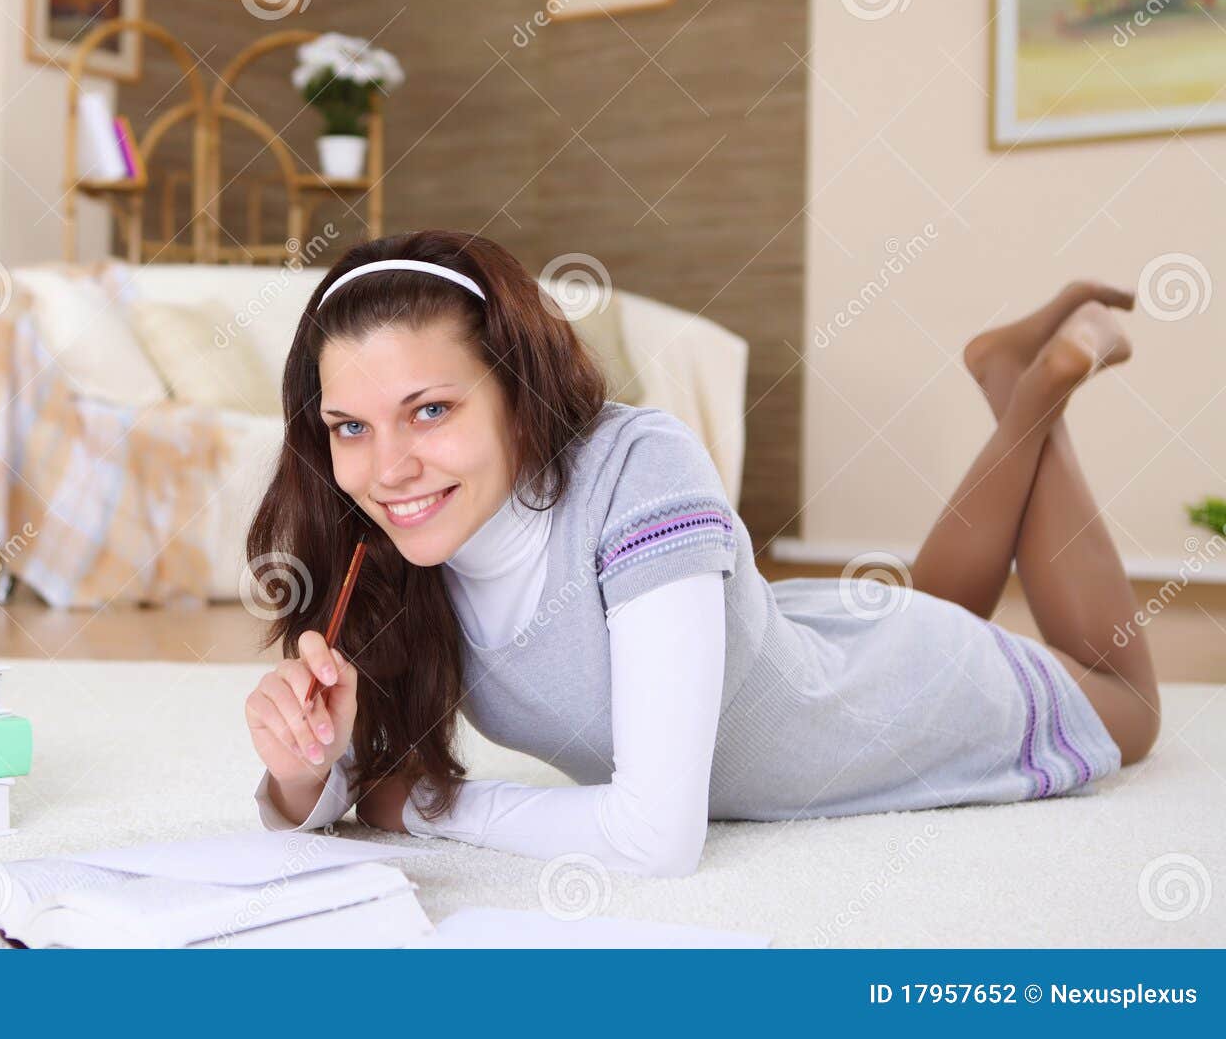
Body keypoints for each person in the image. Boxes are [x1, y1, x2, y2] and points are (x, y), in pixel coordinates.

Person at [241, 229, 1160, 878]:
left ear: (517, 391)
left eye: (431, 408)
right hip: (820, 654)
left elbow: (653, 842)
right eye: (349, 425)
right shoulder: (391, 539)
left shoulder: (640, 469)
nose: (388, 465)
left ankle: (1037, 390)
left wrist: (440, 807)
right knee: (931, 607)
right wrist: (301, 764)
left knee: (1130, 703)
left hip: (909, 698)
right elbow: (360, 787)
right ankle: (1006, 371)